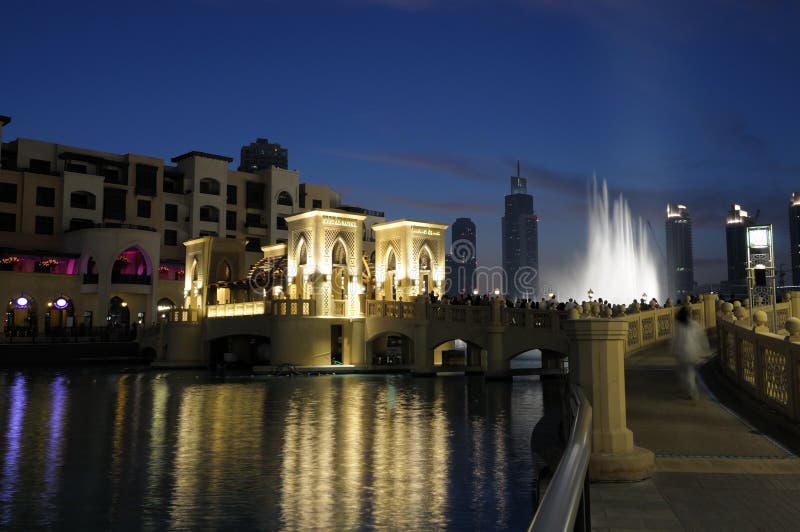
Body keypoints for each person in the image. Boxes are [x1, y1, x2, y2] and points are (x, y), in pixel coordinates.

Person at [671, 306, 710, 400]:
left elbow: (674, 340)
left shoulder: (677, 325)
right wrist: (705, 350)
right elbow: (702, 337)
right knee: (689, 372)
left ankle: (692, 392)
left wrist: (672, 350)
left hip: (682, 353)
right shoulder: (694, 324)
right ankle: (690, 391)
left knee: (686, 373)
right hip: (693, 352)